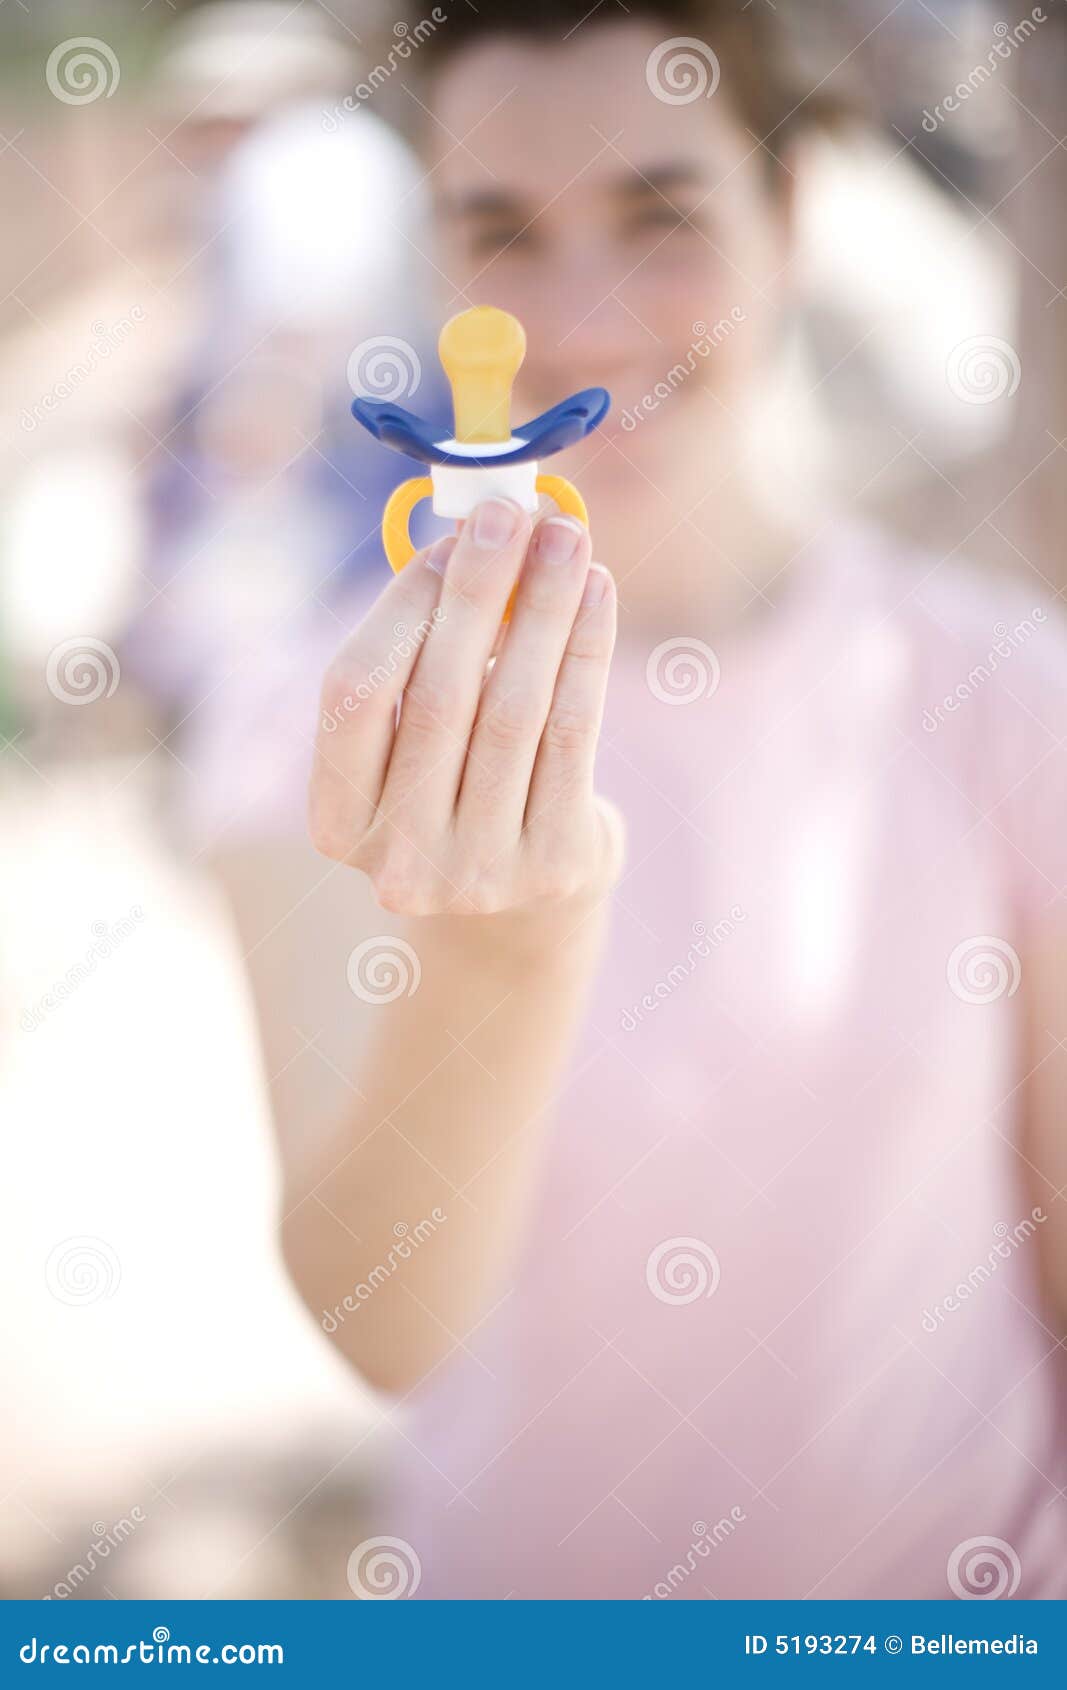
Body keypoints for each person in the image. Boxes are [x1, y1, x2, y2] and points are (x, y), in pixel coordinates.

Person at [281, 0, 1067, 1598]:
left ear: (785, 225)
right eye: (499, 229)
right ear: (434, 268)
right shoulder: (320, 708)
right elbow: (379, 1313)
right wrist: (500, 951)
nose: (582, 317)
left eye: (663, 215)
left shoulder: (1006, 688)